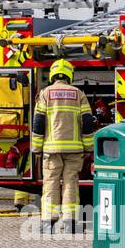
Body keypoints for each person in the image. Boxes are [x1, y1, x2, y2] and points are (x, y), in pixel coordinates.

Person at [30, 59, 97, 233]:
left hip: (51, 150)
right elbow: (87, 122)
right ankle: (70, 222)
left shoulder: (45, 94)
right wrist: (89, 146)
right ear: (69, 75)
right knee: (70, 183)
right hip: (74, 150)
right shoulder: (78, 94)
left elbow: (38, 122)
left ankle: (48, 222)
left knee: (50, 182)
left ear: (52, 75)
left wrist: (36, 147)